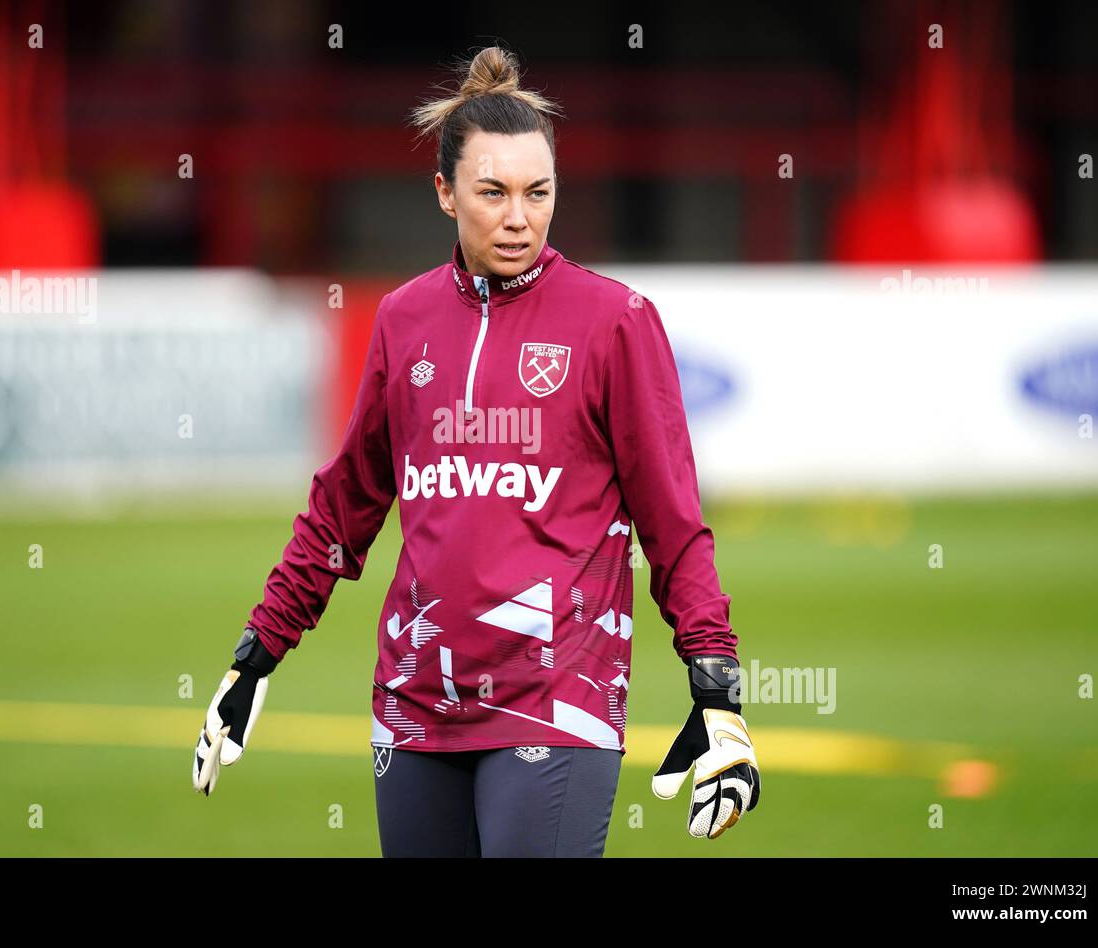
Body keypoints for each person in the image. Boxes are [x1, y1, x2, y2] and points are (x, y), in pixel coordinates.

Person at [192, 45, 760, 857]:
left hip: (559, 696)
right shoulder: (403, 319)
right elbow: (346, 505)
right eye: (492, 193)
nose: (519, 216)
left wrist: (719, 693)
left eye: (539, 192)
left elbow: (673, 522)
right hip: (414, 702)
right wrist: (256, 657)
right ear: (445, 193)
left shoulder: (616, 321)